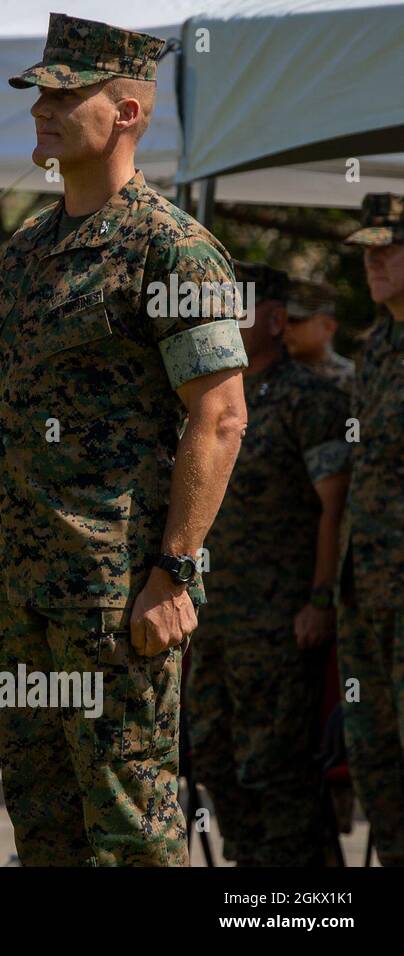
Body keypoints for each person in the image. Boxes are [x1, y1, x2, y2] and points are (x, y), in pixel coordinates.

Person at [0, 14, 248, 866]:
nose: (45, 107)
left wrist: (175, 568)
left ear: (129, 111)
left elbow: (221, 414)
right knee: (44, 827)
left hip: (115, 594)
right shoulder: (27, 250)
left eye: (67, 93)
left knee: (129, 830)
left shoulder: (170, 249)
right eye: (41, 92)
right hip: (25, 589)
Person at [187, 261, 350, 866]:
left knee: (276, 770)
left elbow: (334, 509)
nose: (225, 314)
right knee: (216, 761)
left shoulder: (312, 398)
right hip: (216, 622)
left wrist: (321, 599)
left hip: (280, 622)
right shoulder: (209, 397)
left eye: (240, 305)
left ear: (277, 320)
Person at [338, 192, 404, 866]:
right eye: (368, 252)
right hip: (367, 585)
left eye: (389, 249)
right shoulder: (377, 345)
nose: (374, 262)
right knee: (376, 758)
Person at [285, 278, 355, 394]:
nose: (285, 328)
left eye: (295, 320)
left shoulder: (351, 380)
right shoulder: (265, 376)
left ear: (328, 327)